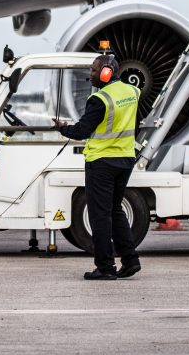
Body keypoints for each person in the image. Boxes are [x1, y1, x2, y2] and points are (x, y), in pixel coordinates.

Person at [57, 54, 141, 281]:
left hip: (102, 163)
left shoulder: (100, 99)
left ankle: (105, 267)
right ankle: (130, 260)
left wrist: (63, 129)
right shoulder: (132, 92)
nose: (90, 75)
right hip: (125, 159)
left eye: (94, 71)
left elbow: (81, 131)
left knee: (99, 216)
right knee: (115, 210)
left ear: (106, 72)